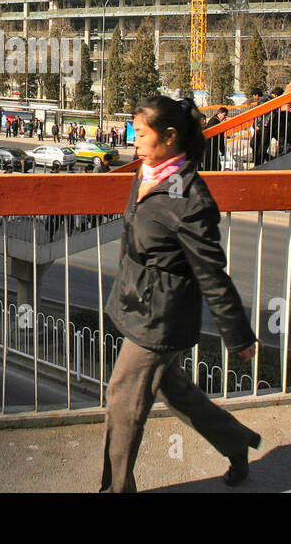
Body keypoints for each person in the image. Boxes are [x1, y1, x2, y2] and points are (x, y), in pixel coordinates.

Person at [100, 95, 261, 492]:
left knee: (122, 401)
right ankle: (235, 441)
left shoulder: (191, 200)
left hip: (161, 318)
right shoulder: (149, 171)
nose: (134, 141)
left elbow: (211, 273)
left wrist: (238, 335)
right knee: (177, 393)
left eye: (141, 134)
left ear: (169, 136)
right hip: (138, 302)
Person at [204, 106, 229, 170]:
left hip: (211, 147)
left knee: (213, 165)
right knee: (215, 166)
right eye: (224, 115)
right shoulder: (215, 122)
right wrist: (222, 149)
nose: (225, 117)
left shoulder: (214, 120)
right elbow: (220, 137)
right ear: (220, 113)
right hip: (211, 147)